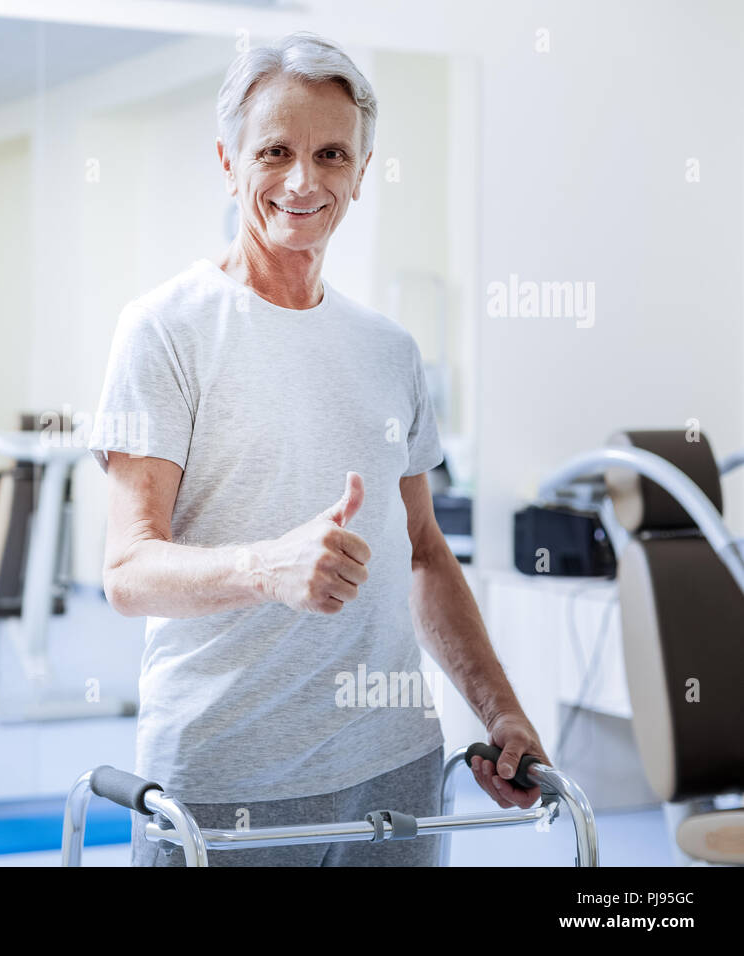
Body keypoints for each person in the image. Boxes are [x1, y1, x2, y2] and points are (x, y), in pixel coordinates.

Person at [88, 33, 549, 866]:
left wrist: (500, 711)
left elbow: (421, 553)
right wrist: (267, 567)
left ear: (361, 174)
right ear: (229, 162)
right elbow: (127, 572)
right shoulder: (165, 330)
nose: (304, 181)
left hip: (394, 773)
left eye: (331, 153)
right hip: (223, 781)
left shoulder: (389, 351)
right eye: (276, 151)